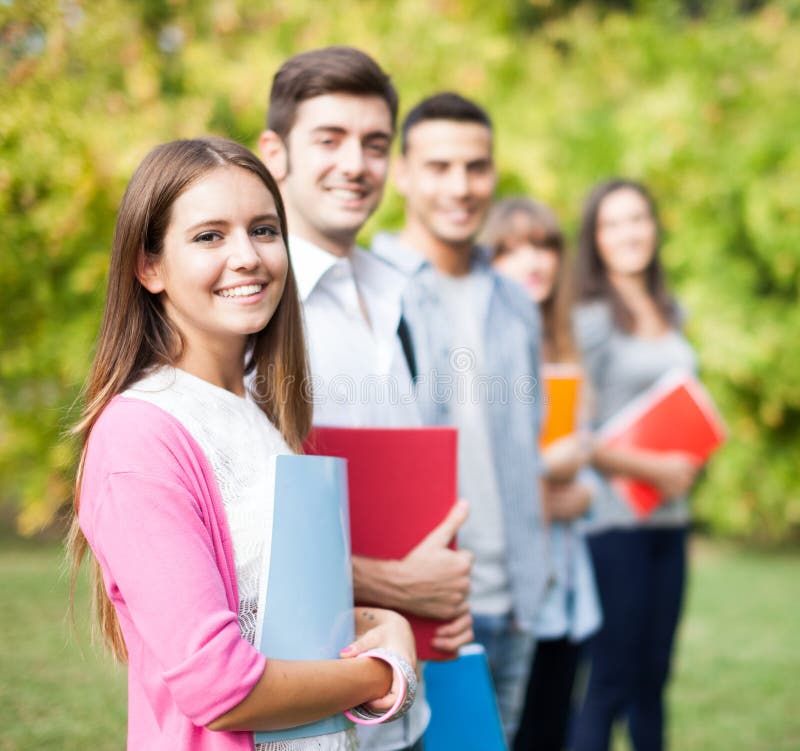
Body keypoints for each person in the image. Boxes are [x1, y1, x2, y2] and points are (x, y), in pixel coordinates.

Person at [66, 136, 417, 751]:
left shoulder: (269, 417)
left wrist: (380, 621)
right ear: (149, 267)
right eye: (209, 236)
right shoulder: (139, 436)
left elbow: (282, 618)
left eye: (263, 230)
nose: (247, 257)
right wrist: (383, 673)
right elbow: (219, 687)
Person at [258, 48, 474, 751]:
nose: (355, 163)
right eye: (329, 139)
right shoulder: (248, 302)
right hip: (303, 715)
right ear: (275, 153)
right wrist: (401, 584)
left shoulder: (398, 296)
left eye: (375, 143)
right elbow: (228, 526)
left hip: (404, 701)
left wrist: (437, 590)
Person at [372, 93, 550, 743]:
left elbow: (526, 437)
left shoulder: (516, 299)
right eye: (439, 166)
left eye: (476, 167)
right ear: (403, 173)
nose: (460, 185)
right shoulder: (368, 286)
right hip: (428, 608)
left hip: (517, 598)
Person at [569, 179, 700, 751]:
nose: (629, 233)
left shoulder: (671, 309)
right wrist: (651, 468)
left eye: (638, 219)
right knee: (610, 682)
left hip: (669, 522)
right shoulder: (591, 319)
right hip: (613, 524)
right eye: (613, 223)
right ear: (595, 239)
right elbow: (577, 433)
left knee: (654, 682)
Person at [481, 197, 602, 751]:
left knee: (554, 727)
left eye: (546, 245)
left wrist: (577, 489)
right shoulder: (474, 351)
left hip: (566, 583)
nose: (534, 260)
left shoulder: (568, 346)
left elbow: (588, 480)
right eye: (514, 247)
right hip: (502, 590)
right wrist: (545, 477)